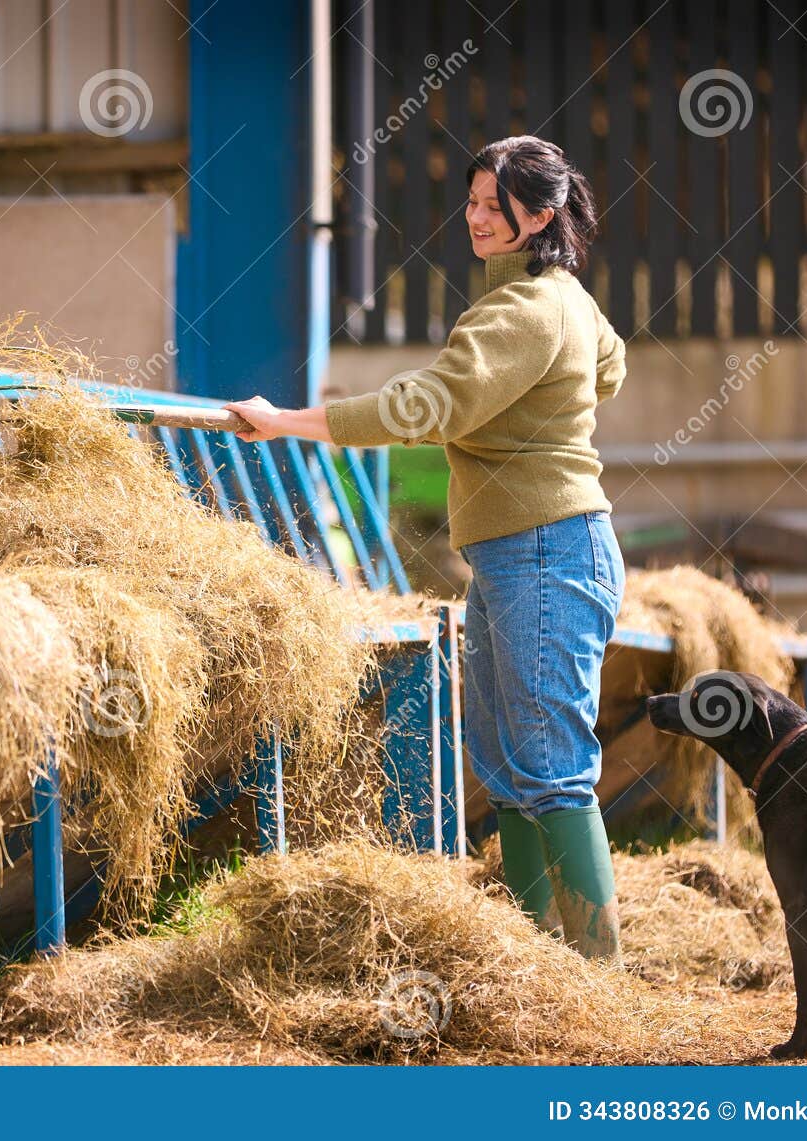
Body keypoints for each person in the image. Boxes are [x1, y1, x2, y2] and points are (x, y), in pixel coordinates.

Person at [224, 135, 627, 957]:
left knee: (548, 764)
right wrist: (546, 408)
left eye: (495, 206)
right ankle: (534, 961)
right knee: (509, 766)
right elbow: (609, 369)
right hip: (518, 555)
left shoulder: (527, 310)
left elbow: (430, 405)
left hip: (548, 552)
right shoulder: (565, 299)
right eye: (473, 201)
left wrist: (290, 424)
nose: (476, 218)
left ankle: (599, 976)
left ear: (540, 215)